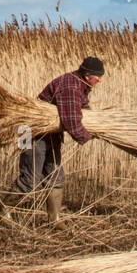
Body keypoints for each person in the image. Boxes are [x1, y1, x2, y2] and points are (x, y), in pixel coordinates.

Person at [12, 56, 104, 221]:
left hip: (49, 134)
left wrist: (98, 126)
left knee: (55, 177)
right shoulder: (70, 87)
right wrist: (88, 136)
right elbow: (71, 122)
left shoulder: (80, 85)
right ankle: (3, 212)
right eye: (98, 76)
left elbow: (83, 110)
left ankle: (54, 219)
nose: (100, 80)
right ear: (87, 76)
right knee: (29, 180)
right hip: (30, 132)